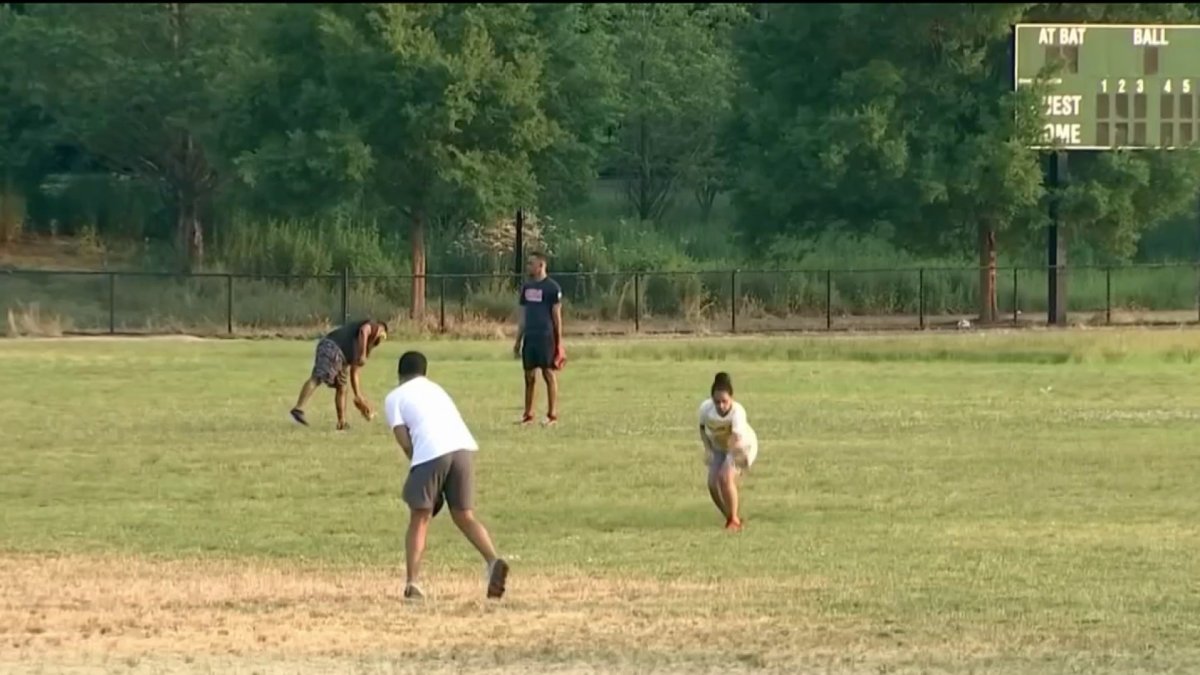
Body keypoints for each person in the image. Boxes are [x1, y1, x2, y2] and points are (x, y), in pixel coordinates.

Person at [383, 350, 510, 600]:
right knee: (464, 515)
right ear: (424, 372)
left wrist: (423, 475)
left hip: (431, 451)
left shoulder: (394, 397)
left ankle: (412, 583)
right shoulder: (436, 390)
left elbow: (406, 443)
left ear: (400, 374)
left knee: (420, 517)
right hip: (462, 447)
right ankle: (492, 560)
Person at [290, 319, 389, 430]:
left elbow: (354, 371)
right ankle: (298, 408)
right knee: (317, 378)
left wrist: (358, 396)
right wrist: (362, 354)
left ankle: (342, 422)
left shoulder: (366, 347)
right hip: (332, 347)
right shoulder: (375, 327)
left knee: (342, 386)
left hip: (340, 356)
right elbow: (364, 330)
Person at [698, 372, 758, 532]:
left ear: (732, 398)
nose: (721, 406)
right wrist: (708, 450)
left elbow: (736, 440)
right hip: (719, 446)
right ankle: (731, 517)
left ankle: (734, 521)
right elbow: (702, 429)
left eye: (724, 401)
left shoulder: (738, 412)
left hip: (741, 446)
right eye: (717, 402)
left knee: (725, 477)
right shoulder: (705, 409)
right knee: (712, 483)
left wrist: (731, 462)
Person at [512, 252, 566, 426]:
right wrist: (518, 340)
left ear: (541, 265)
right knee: (529, 376)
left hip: (546, 336)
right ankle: (528, 415)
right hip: (530, 336)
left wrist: (559, 342)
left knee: (548, 373)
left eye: (531, 263)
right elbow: (523, 316)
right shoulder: (527, 288)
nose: (528, 267)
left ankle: (552, 415)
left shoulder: (552, 288)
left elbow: (557, 316)